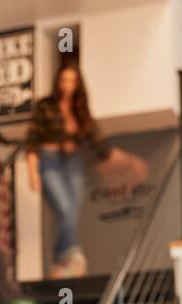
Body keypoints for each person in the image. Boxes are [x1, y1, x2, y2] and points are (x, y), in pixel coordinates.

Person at [25, 58, 110, 280]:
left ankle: (59, 263)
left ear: (77, 84)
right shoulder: (45, 105)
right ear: (58, 81)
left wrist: (118, 163)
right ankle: (74, 256)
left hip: (72, 162)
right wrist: (33, 172)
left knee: (72, 211)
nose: (67, 85)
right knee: (65, 209)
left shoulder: (80, 111)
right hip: (49, 161)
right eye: (64, 80)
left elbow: (97, 142)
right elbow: (32, 140)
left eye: (72, 81)